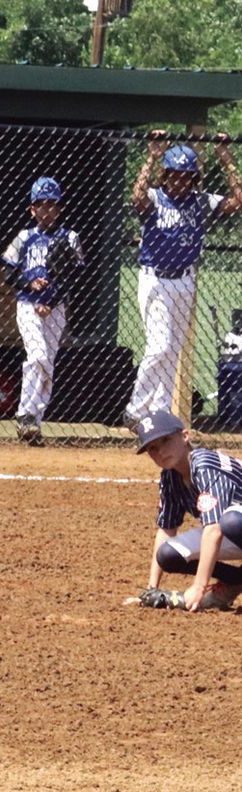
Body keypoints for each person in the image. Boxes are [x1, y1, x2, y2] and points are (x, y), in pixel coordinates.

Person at [126, 133, 242, 425]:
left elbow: (238, 200)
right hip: (155, 280)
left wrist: (225, 157)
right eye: (174, 176)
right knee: (160, 347)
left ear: (194, 179)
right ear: (165, 176)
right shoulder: (156, 197)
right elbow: (136, 196)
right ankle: (136, 410)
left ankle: (161, 414)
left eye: (186, 177)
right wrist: (151, 156)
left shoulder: (200, 202)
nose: (179, 182)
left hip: (185, 282)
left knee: (173, 352)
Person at [0, 177, 85, 444]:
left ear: (59, 208)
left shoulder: (70, 238)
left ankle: (33, 425)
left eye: (52, 205)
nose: (47, 211)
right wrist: (30, 283)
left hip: (55, 308)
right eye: (41, 205)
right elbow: (7, 272)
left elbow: (76, 276)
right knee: (37, 355)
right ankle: (25, 414)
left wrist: (51, 299)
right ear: (32, 210)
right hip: (27, 305)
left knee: (47, 364)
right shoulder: (24, 237)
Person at [131, 410, 242, 613]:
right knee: (167, 554)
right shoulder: (170, 477)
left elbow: (214, 530)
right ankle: (235, 581)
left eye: (166, 440)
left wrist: (199, 587)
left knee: (231, 521)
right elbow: (166, 530)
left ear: (185, 436)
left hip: (234, 525)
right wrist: (151, 590)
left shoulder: (205, 465)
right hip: (234, 529)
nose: (161, 451)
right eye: (152, 448)